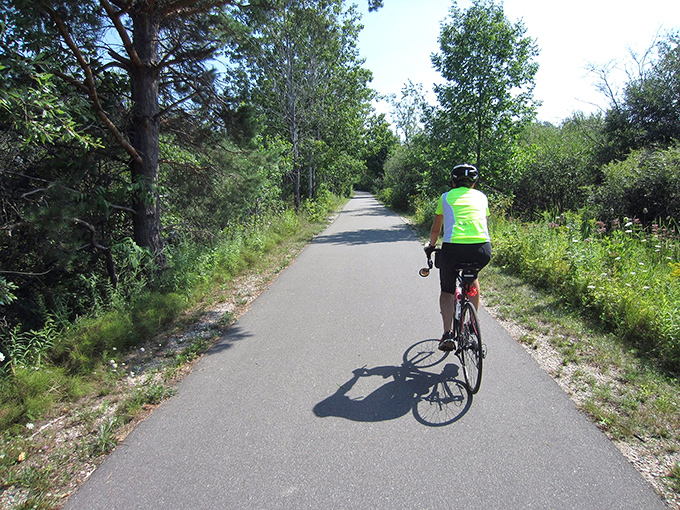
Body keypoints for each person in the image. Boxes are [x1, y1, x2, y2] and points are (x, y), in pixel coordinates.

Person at [424, 164, 492, 351]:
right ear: (473, 183)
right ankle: (471, 325)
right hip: (482, 249)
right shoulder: (482, 197)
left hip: (453, 248)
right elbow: (483, 223)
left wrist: (431, 246)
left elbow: (436, 229)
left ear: (453, 181)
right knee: (473, 277)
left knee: (447, 290)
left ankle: (448, 334)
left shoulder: (445, 197)